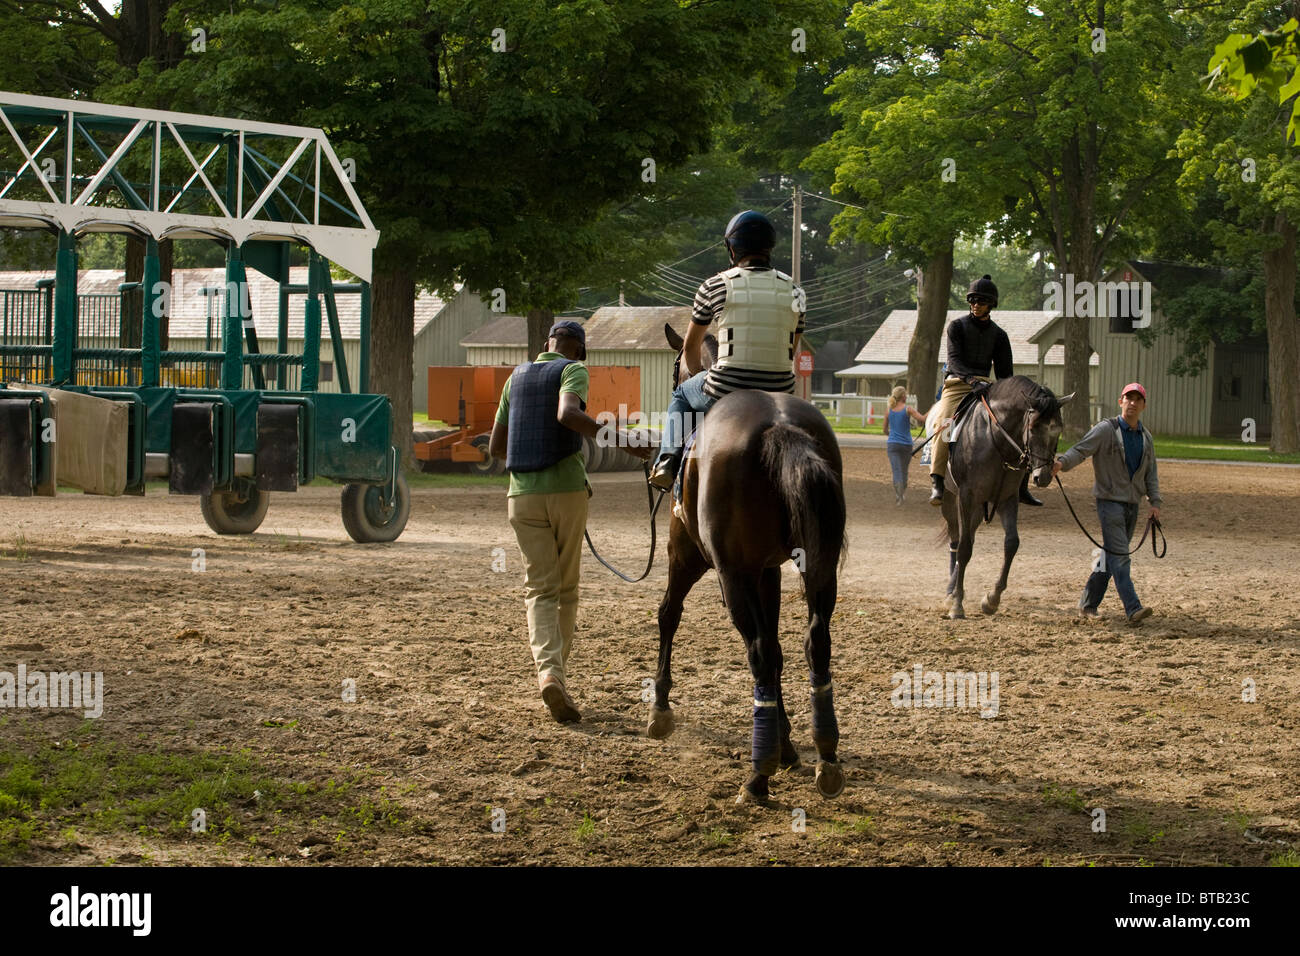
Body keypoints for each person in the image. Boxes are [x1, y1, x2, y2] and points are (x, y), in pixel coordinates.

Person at [489, 320, 651, 722]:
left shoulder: (515, 377)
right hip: (565, 490)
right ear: (579, 350)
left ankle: (549, 674)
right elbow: (567, 413)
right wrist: (623, 441)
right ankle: (556, 676)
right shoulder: (573, 369)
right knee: (567, 590)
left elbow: (495, 446)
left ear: (547, 343)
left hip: (521, 497)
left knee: (539, 590)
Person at [648, 210, 806, 490]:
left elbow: (690, 346)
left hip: (726, 387)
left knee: (681, 394)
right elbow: (791, 348)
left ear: (732, 249)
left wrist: (698, 375)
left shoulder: (714, 286)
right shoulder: (795, 291)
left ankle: (666, 461)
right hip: (781, 389)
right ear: (769, 248)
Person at [1051, 383, 1162, 624]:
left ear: (1143, 405)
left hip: (1132, 505)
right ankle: (1133, 608)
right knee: (1120, 555)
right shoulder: (1105, 430)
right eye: (1128, 398)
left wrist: (1155, 503)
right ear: (1120, 401)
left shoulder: (1146, 438)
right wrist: (1061, 464)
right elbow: (1081, 450)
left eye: (1137, 399)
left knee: (1109, 557)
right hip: (1109, 503)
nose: (1132, 403)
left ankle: (1088, 604)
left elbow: (1151, 473)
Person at [927, 275, 1043, 506]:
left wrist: (1009, 393)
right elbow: (954, 362)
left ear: (991, 304)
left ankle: (1021, 485)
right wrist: (971, 381)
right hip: (958, 384)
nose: (976, 305)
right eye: (973, 300)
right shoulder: (956, 327)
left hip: (986, 387)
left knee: (1019, 426)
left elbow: (1005, 373)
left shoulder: (999, 335)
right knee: (945, 422)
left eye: (981, 301)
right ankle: (937, 479)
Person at [884, 385, 926, 504]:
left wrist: (892, 436)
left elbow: (884, 429)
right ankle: (902, 494)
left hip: (893, 444)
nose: (906, 396)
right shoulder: (908, 409)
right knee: (904, 471)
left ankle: (899, 496)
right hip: (906, 445)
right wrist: (932, 409)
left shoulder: (889, 410)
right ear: (903, 396)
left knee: (896, 470)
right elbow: (922, 419)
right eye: (906, 394)